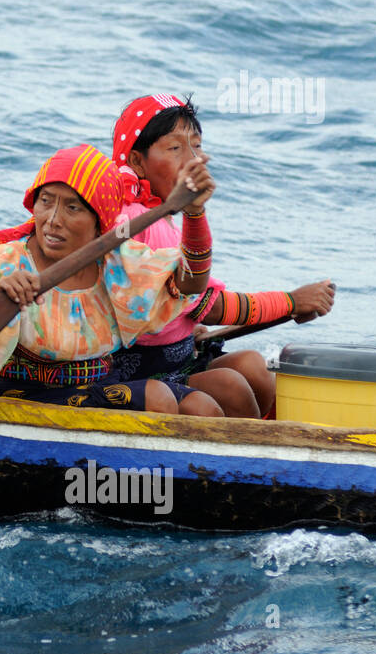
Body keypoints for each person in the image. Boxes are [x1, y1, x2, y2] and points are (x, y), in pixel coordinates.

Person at [0, 144, 223, 415]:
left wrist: (194, 213)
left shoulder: (117, 263)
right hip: (21, 395)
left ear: (99, 221)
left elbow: (190, 284)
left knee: (203, 407)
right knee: (157, 398)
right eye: (46, 201)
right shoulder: (7, 264)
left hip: (99, 385)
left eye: (72, 207)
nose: (52, 219)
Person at [108, 93, 334, 418]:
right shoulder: (134, 218)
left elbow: (183, 301)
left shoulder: (160, 215)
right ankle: (258, 449)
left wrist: (187, 326)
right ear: (136, 161)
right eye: (175, 148)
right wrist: (290, 302)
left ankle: (266, 440)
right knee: (230, 385)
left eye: (197, 146)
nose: (194, 159)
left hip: (178, 357)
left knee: (253, 365)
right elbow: (209, 306)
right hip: (143, 374)